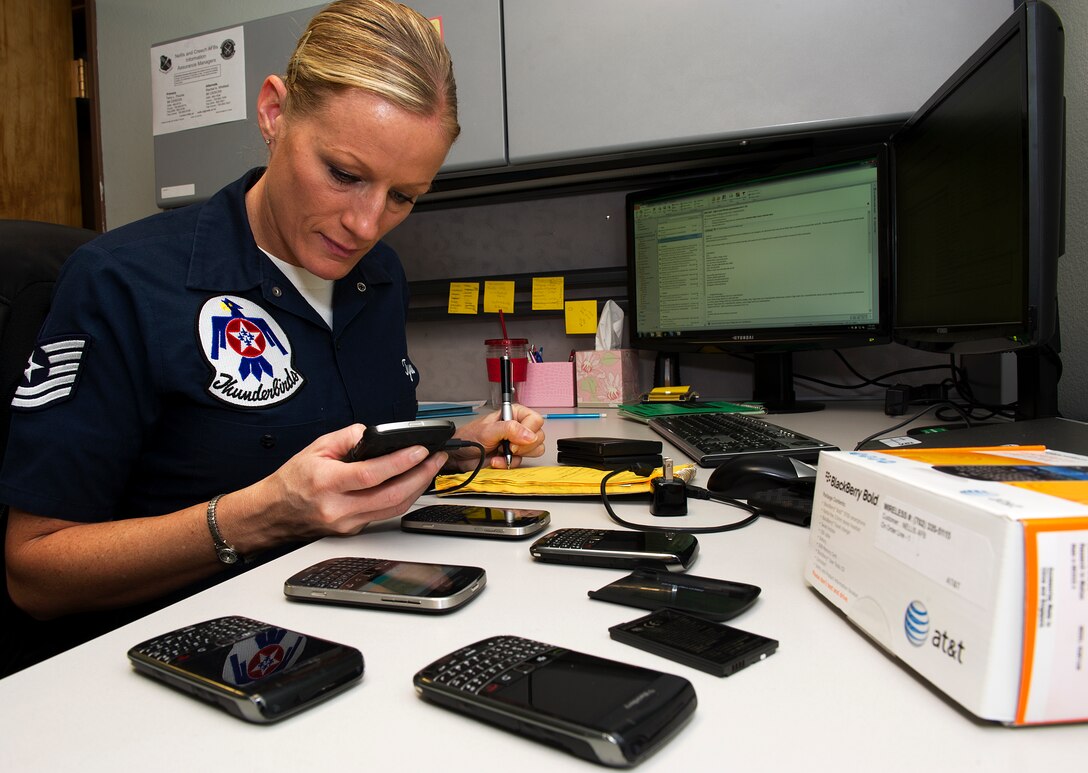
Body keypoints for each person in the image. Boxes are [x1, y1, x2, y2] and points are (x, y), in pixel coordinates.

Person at [0, 0, 544, 675]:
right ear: (273, 113)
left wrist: (462, 442)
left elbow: (350, 458)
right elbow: (34, 572)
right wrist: (258, 515)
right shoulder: (122, 283)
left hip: (353, 636)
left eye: (404, 195)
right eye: (344, 174)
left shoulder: (379, 278)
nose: (367, 223)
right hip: (173, 668)